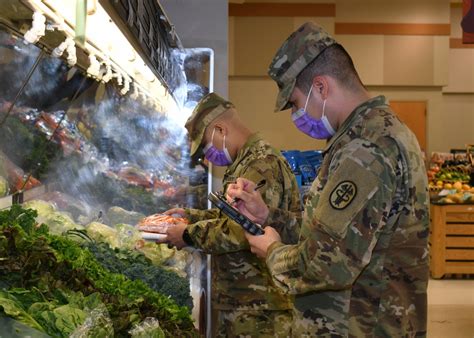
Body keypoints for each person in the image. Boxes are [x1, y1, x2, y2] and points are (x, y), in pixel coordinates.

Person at [226, 22, 430, 337]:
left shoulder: (366, 148)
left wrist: (274, 251)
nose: (296, 115)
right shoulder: (373, 134)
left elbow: (328, 263)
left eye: (294, 103)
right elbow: (338, 230)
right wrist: (269, 216)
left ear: (320, 87)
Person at [163, 92, 302, 337]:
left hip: (260, 306)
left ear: (220, 129)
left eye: (205, 145)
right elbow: (228, 216)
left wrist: (187, 235)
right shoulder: (244, 162)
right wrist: (190, 216)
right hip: (245, 300)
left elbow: (241, 229)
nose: (207, 156)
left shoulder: (260, 165)